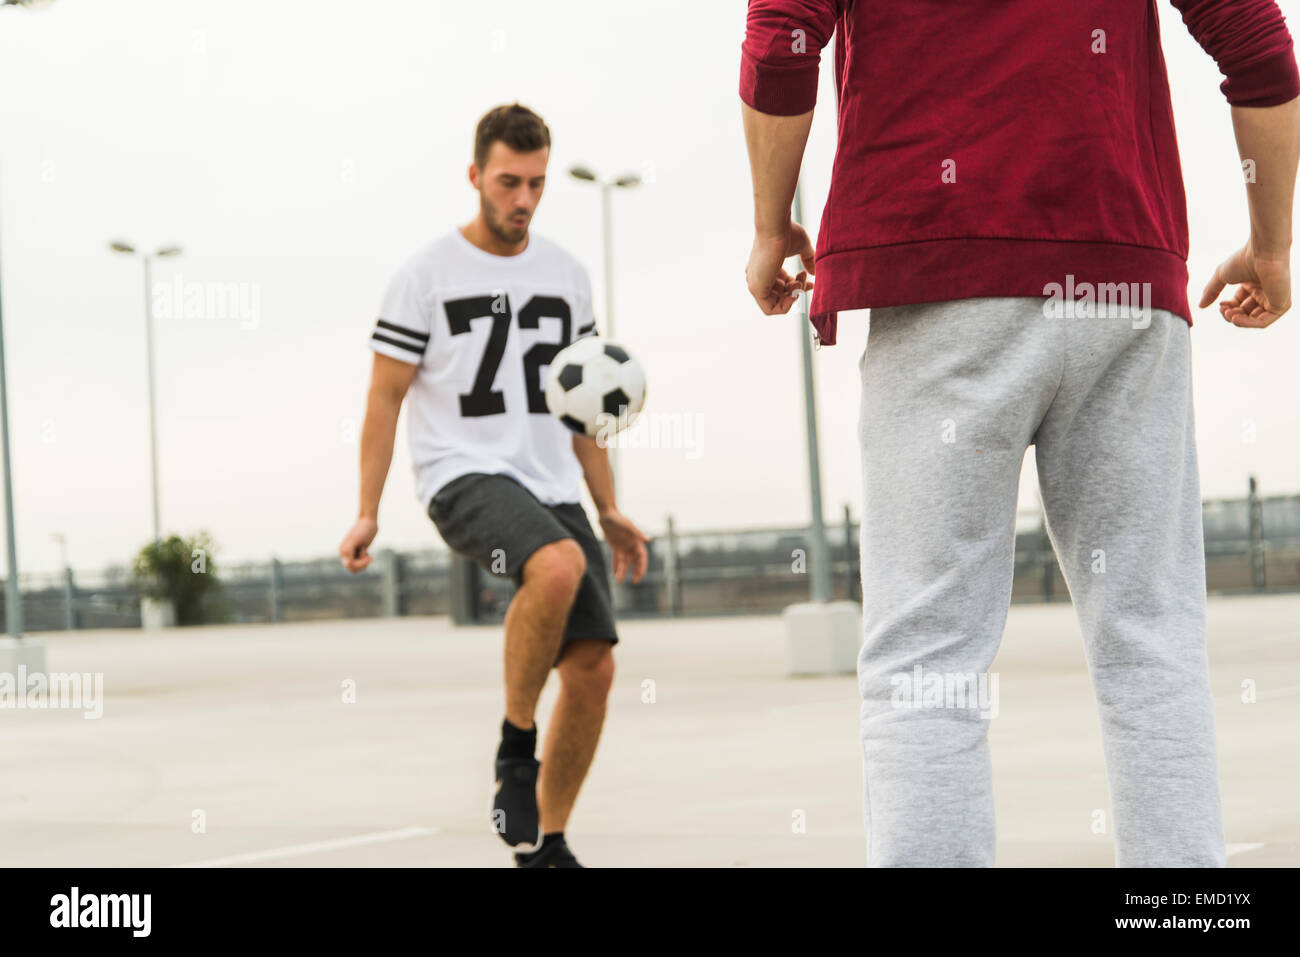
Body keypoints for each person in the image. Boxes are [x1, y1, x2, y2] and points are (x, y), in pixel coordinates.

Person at [740, 0, 1299, 866]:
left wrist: (771, 225)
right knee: (1151, 641)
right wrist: (1272, 245)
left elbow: (782, 41)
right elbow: (1258, 45)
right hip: (1122, 271)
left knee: (928, 661)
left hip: (939, 269)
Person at [338, 103, 649, 868]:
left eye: (537, 184)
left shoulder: (567, 276)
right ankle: (516, 748)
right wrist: (367, 510)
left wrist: (606, 506)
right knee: (554, 563)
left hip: (550, 485)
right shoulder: (424, 275)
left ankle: (545, 843)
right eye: (509, 181)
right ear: (475, 175)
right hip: (461, 473)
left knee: (594, 668)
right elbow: (384, 397)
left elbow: (584, 407)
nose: (523, 199)